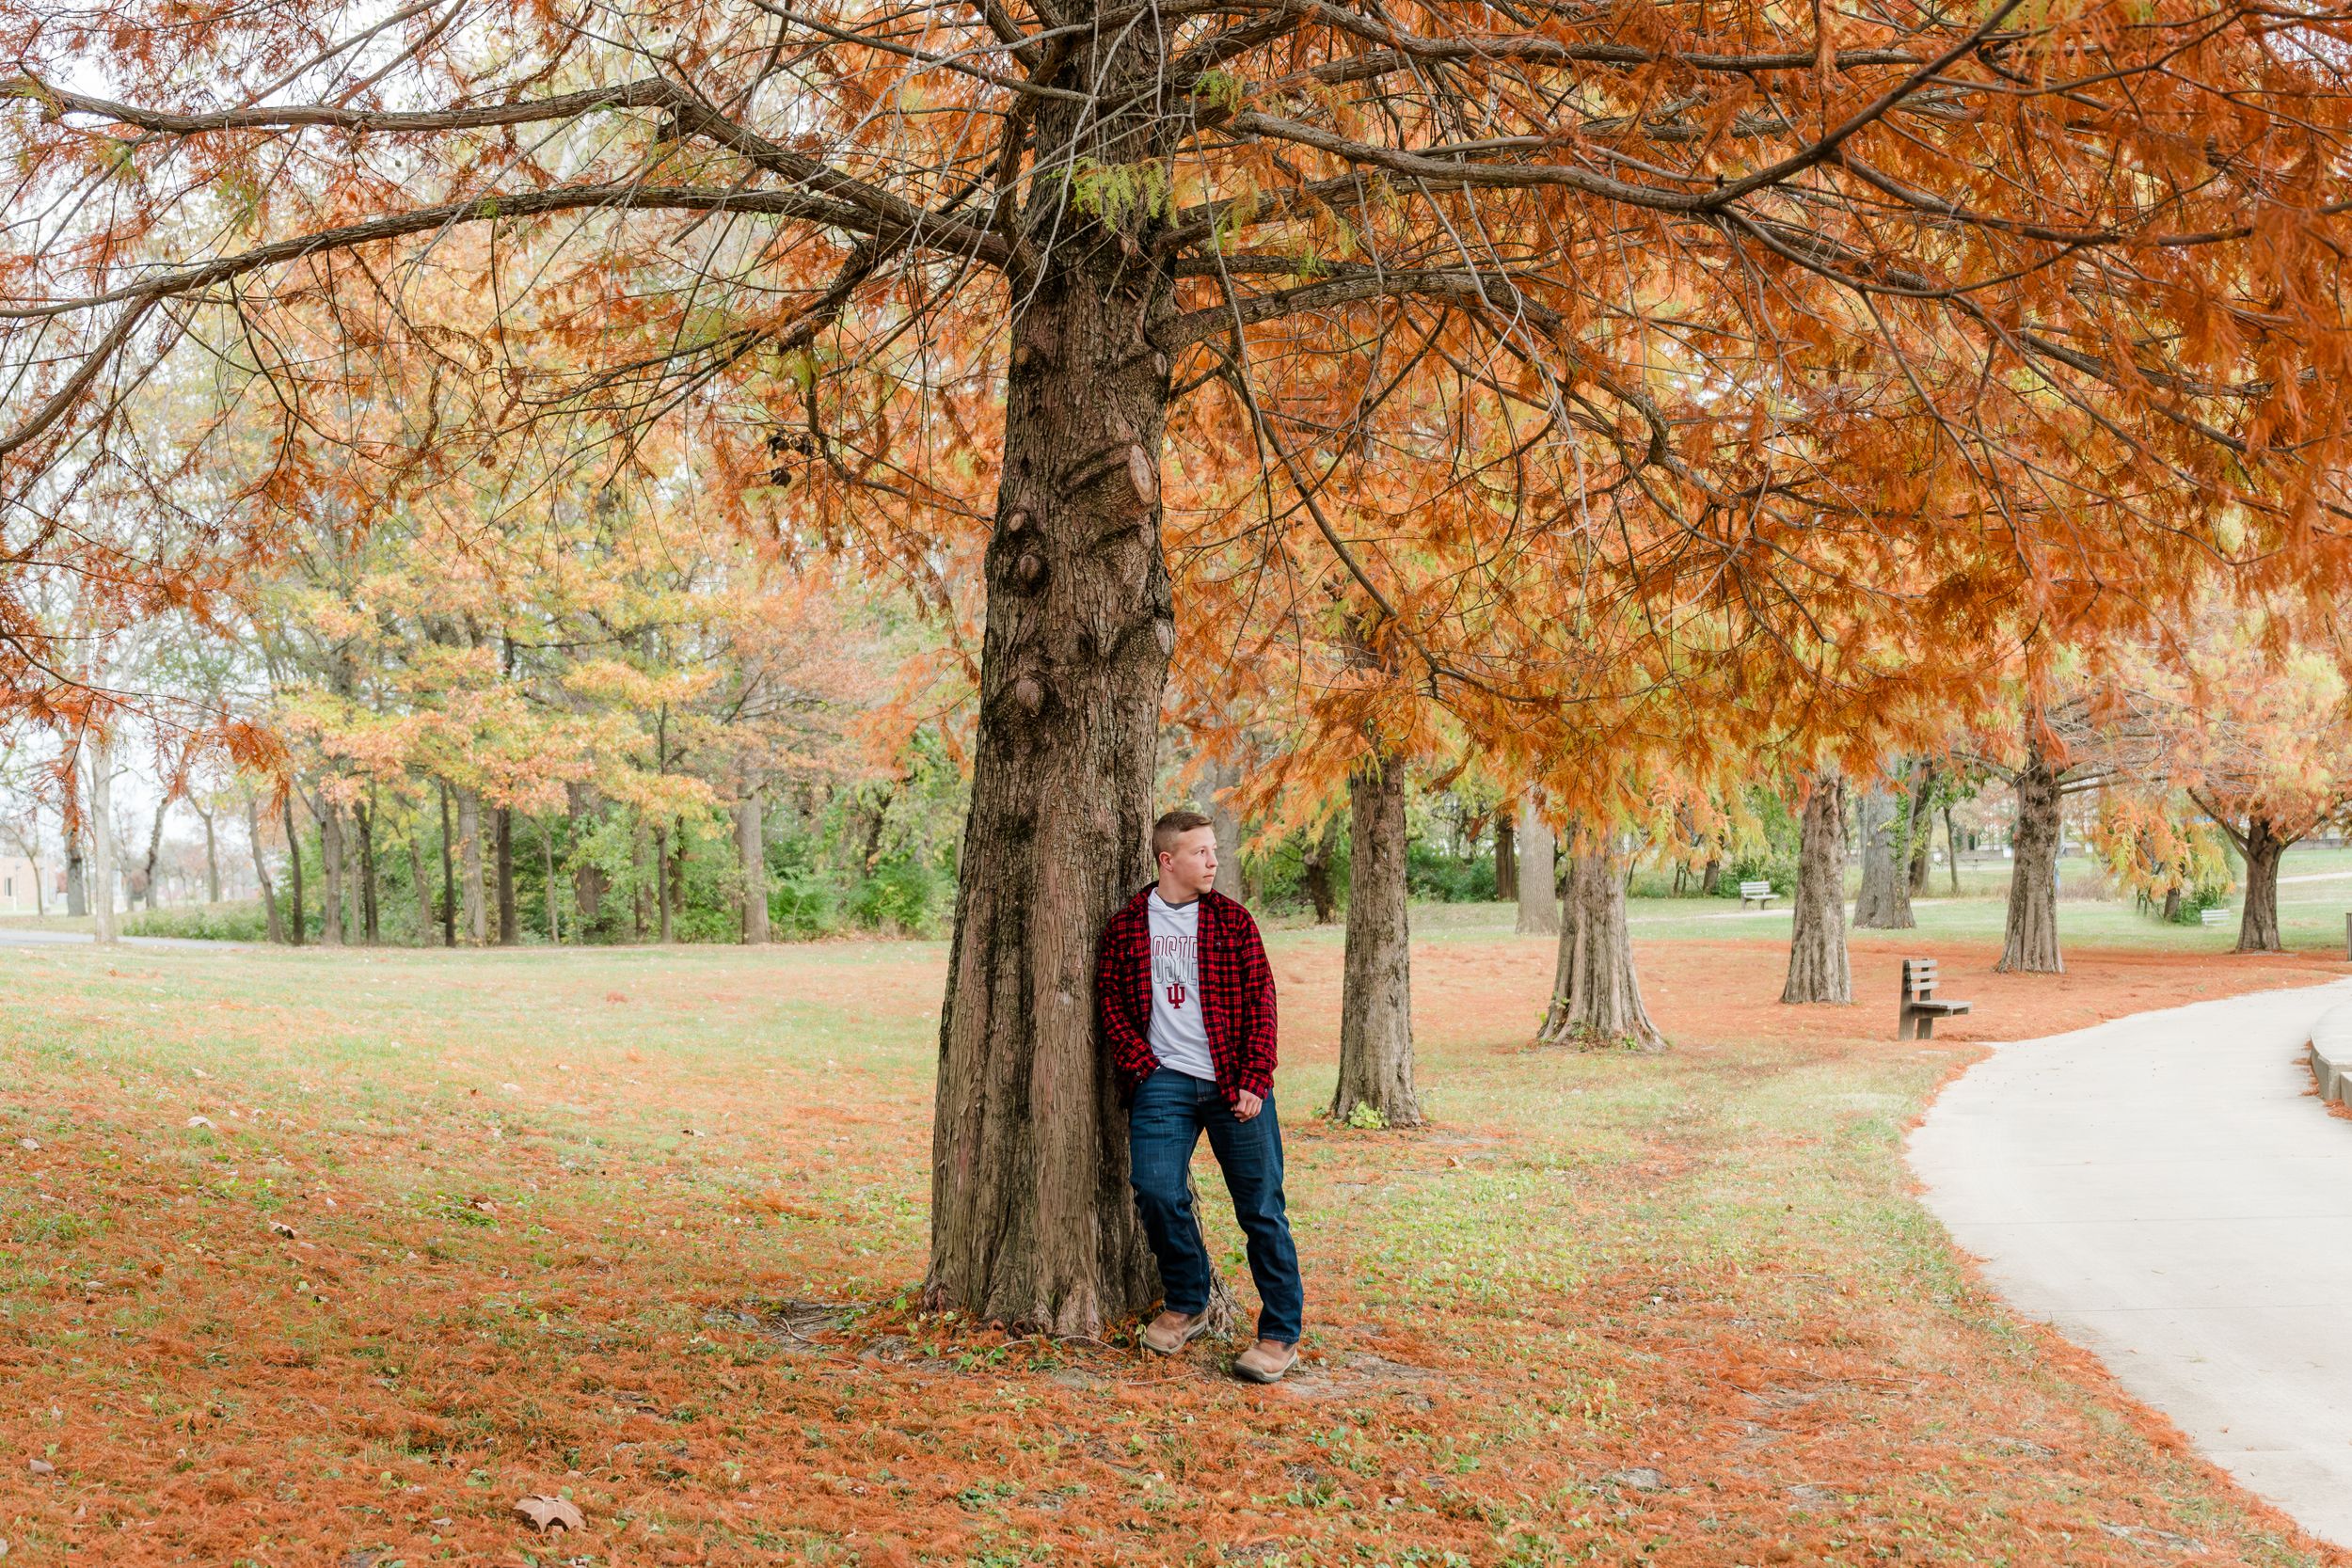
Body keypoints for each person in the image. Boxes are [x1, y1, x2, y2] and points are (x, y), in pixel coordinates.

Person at [1094, 809, 1302, 1383]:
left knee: (1261, 1209)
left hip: (1235, 1081)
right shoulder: (1129, 926)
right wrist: (1143, 1068)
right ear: (1168, 860)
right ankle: (1188, 1301)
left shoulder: (1233, 922)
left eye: (1214, 850)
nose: (1214, 861)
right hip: (1164, 1081)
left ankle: (1280, 1333)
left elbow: (1263, 1002)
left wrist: (1255, 1080)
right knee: (1156, 1189)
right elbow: (1111, 1004)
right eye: (1201, 852)